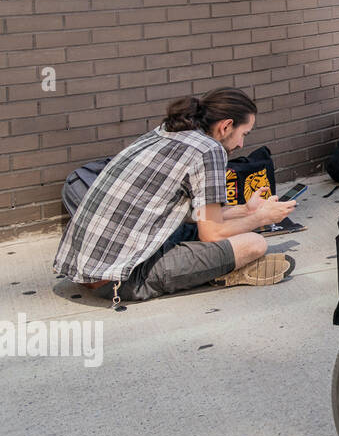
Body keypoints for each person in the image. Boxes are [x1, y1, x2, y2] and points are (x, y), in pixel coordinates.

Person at [52, 89, 298, 303]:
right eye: (244, 134)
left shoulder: (167, 132)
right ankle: (217, 272)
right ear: (226, 126)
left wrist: (247, 210)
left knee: (237, 230)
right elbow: (210, 233)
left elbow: (198, 215)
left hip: (87, 266)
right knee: (254, 243)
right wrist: (261, 218)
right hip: (120, 278)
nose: (242, 145)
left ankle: (215, 266)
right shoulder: (210, 150)